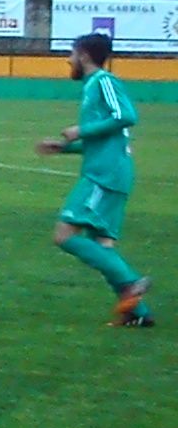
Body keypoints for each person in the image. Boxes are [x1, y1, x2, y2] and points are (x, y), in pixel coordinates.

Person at [37, 31, 152, 327]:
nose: (68, 60)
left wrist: (81, 130)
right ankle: (136, 313)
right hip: (110, 169)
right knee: (102, 245)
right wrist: (64, 148)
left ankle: (132, 280)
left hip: (104, 175)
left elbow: (126, 116)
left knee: (64, 235)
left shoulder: (104, 81)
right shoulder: (92, 86)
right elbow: (105, 136)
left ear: (85, 55)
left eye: (72, 54)